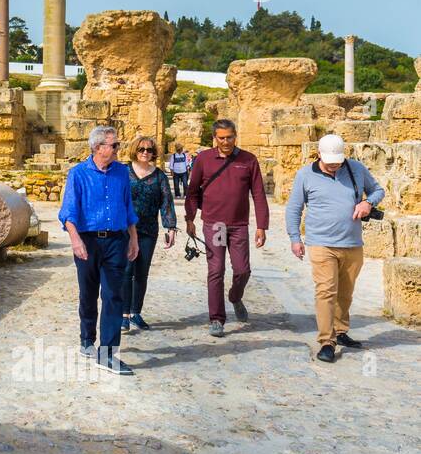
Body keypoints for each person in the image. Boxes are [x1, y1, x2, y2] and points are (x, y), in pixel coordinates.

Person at [285, 133, 384, 364]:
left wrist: (368, 203)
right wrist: (294, 238)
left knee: (345, 292)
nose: (333, 165)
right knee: (326, 291)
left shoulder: (356, 169)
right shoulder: (305, 175)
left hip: (352, 243)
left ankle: (341, 331)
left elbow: (378, 190)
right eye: (329, 161)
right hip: (321, 243)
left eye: (337, 161)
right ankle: (327, 342)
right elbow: (294, 208)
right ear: (318, 154)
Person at [58, 125, 140, 375]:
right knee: (88, 293)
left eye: (117, 145)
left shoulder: (122, 172)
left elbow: (127, 207)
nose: (118, 149)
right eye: (114, 145)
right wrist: (75, 240)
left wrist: (133, 238)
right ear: (97, 147)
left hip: (116, 240)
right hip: (87, 241)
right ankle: (86, 339)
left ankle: (107, 354)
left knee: (114, 295)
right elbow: (68, 212)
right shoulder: (78, 174)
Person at [184, 119, 269, 338]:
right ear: (215, 138)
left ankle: (235, 296)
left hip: (239, 225)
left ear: (235, 136)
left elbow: (258, 194)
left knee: (242, 270)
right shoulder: (203, 159)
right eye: (221, 137)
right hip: (215, 225)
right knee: (216, 270)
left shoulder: (248, 160)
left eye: (229, 137)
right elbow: (192, 192)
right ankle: (217, 319)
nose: (226, 141)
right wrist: (190, 218)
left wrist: (262, 225)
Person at [122, 136, 178, 331]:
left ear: (154, 152)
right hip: (126, 230)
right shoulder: (123, 172)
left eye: (149, 149)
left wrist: (170, 227)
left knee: (141, 273)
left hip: (148, 231)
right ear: (135, 150)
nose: (145, 152)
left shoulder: (159, 176)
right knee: (126, 271)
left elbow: (166, 202)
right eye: (141, 149)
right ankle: (123, 314)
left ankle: (136, 312)